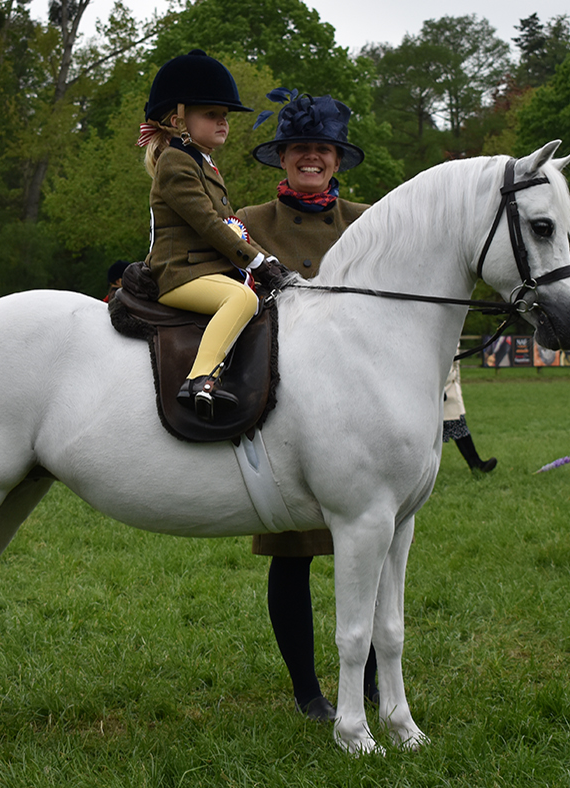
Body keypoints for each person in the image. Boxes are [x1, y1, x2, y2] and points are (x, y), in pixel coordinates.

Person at [235, 89, 378, 722]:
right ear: (283, 158)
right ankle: (306, 691)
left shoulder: (370, 221)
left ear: (337, 159)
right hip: (285, 418)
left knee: (365, 555)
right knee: (290, 559)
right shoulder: (248, 222)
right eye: (299, 149)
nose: (310, 158)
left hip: (362, 418)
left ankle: (370, 681)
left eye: (322, 149)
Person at [139, 49, 285, 421]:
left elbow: (231, 223)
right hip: (179, 273)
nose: (223, 122)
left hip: (203, 270)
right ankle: (199, 379)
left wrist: (271, 261)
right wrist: (256, 263)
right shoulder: (176, 162)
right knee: (241, 298)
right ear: (179, 120)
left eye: (225, 116)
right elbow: (208, 224)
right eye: (211, 114)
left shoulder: (204, 163)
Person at [443, 362, 497, 473]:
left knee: (459, 429)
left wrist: (458, 391)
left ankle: (476, 464)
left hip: (450, 393)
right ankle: (476, 464)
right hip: (441, 393)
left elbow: (455, 368)